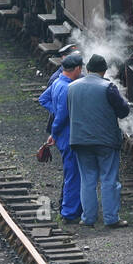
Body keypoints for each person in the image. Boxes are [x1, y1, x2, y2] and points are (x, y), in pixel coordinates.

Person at [67, 53, 133, 228]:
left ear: (88, 70)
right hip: (105, 141)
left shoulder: (72, 87)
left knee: (87, 179)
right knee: (108, 179)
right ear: (104, 71)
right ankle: (111, 218)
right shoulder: (108, 87)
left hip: (80, 141)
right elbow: (123, 111)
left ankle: (88, 218)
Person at [40, 53, 83, 224]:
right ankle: (69, 212)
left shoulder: (57, 82)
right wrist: (55, 133)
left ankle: (69, 207)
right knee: (73, 173)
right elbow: (60, 119)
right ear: (78, 69)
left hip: (64, 135)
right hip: (67, 135)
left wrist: (56, 109)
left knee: (70, 171)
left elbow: (43, 99)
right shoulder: (68, 88)